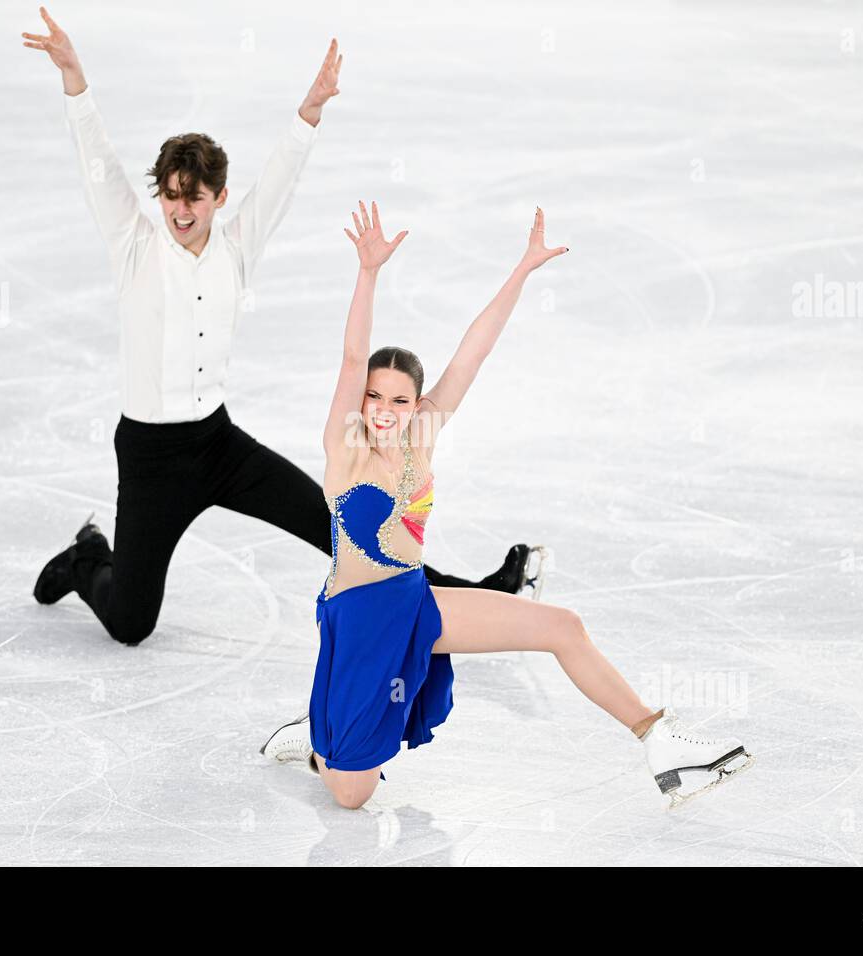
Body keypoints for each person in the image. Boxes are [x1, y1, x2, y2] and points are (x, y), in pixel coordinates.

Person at [20, 8, 536, 646]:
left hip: (218, 445)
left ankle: (470, 593)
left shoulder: (235, 248)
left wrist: (310, 110)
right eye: (171, 196)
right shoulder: (133, 245)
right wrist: (74, 77)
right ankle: (86, 558)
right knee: (130, 624)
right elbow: (96, 163)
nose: (180, 210)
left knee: (342, 523)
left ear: (219, 197)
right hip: (151, 458)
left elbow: (280, 184)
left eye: (194, 197)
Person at [261, 202, 755, 810]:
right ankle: (317, 742)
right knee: (351, 795)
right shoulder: (346, 448)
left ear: (417, 404)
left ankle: (661, 741)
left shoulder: (422, 437)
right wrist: (368, 274)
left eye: (399, 397)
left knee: (562, 627)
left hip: (414, 602)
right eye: (373, 395)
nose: (384, 408)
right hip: (359, 617)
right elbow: (349, 355)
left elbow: (473, 352)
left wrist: (521, 270)